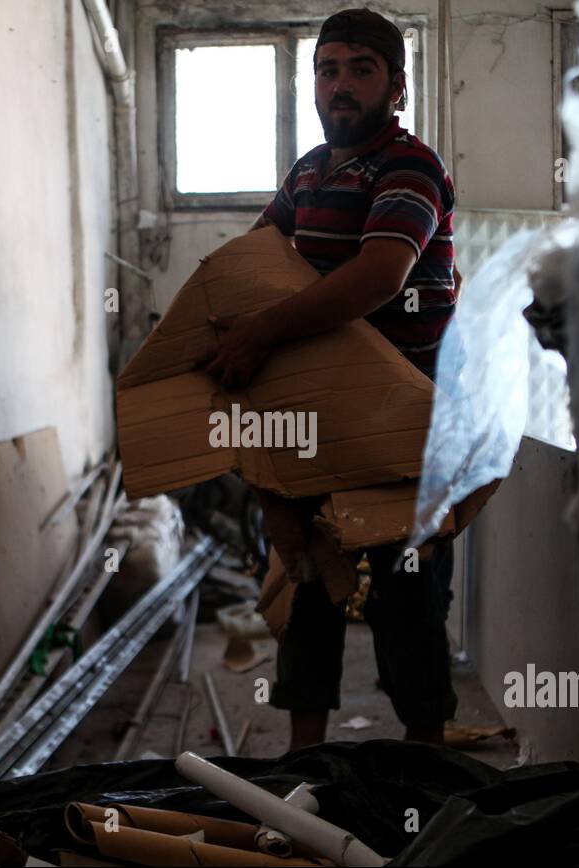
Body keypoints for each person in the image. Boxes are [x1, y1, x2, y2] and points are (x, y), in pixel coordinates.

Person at [204, 8, 460, 750]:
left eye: (360, 69)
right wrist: (211, 321)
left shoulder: (408, 166)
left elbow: (379, 276)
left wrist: (262, 332)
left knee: (406, 594)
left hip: (398, 419)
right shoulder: (311, 171)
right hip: (310, 415)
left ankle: (424, 774)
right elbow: (255, 257)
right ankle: (304, 769)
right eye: (328, 69)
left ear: (396, 88)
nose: (340, 85)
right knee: (306, 580)